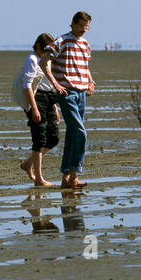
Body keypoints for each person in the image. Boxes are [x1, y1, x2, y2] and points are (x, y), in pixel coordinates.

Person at [42, 12, 95, 190]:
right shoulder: (61, 41)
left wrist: (91, 82)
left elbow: (85, 67)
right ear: (72, 24)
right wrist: (55, 84)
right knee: (81, 132)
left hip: (81, 93)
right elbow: (44, 62)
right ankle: (74, 174)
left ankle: (68, 177)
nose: (82, 30)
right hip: (67, 92)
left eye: (86, 27)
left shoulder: (85, 44)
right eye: (80, 26)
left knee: (73, 134)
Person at [14, 32, 67, 187]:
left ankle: (28, 164)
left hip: (49, 99)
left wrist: (55, 107)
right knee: (39, 139)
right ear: (39, 46)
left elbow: (49, 83)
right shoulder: (32, 59)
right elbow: (27, 86)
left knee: (53, 138)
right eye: (45, 49)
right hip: (36, 100)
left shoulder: (47, 60)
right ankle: (39, 179)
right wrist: (34, 109)